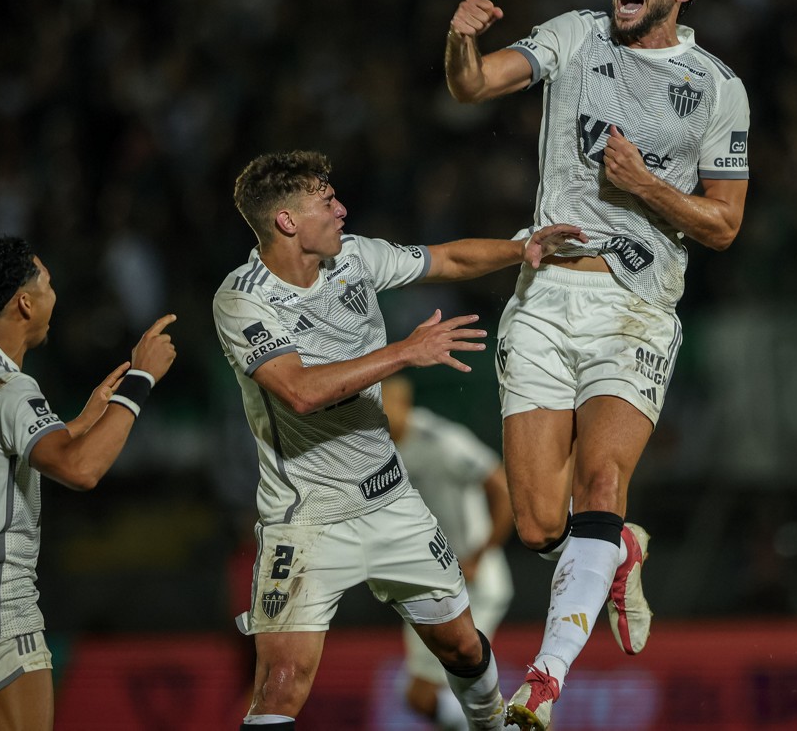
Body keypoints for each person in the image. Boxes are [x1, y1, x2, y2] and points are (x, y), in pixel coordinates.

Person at [444, 0, 748, 730]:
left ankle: (542, 682)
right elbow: (472, 85)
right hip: (544, 301)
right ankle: (618, 545)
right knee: (544, 522)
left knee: (602, 482)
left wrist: (643, 186)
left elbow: (723, 225)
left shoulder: (718, 90)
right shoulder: (576, 35)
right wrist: (460, 37)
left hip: (635, 310)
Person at [212, 150, 585, 731]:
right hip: (306, 518)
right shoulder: (242, 299)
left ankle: (494, 728)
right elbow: (299, 391)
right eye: (325, 200)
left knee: (461, 648)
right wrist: (405, 352)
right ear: (287, 221)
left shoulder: (355, 257)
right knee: (282, 686)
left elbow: (449, 258)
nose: (341, 208)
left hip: (392, 503)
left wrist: (523, 249)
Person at [0, 236, 177, 731]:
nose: (55, 295)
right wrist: (141, 380)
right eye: (48, 284)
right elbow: (79, 470)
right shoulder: (11, 387)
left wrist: (74, 425)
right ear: (24, 303)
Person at [381, 375, 514, 731]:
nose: (374, 412)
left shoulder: (442, 441)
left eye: (382, 403)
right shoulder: (375, 452)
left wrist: (480, 554)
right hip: (430, 582)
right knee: (422, 697)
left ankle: (510, 723)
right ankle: (511, 723)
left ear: (404, 404)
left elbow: (501, 487)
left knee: (438, 691)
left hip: (475, 585)